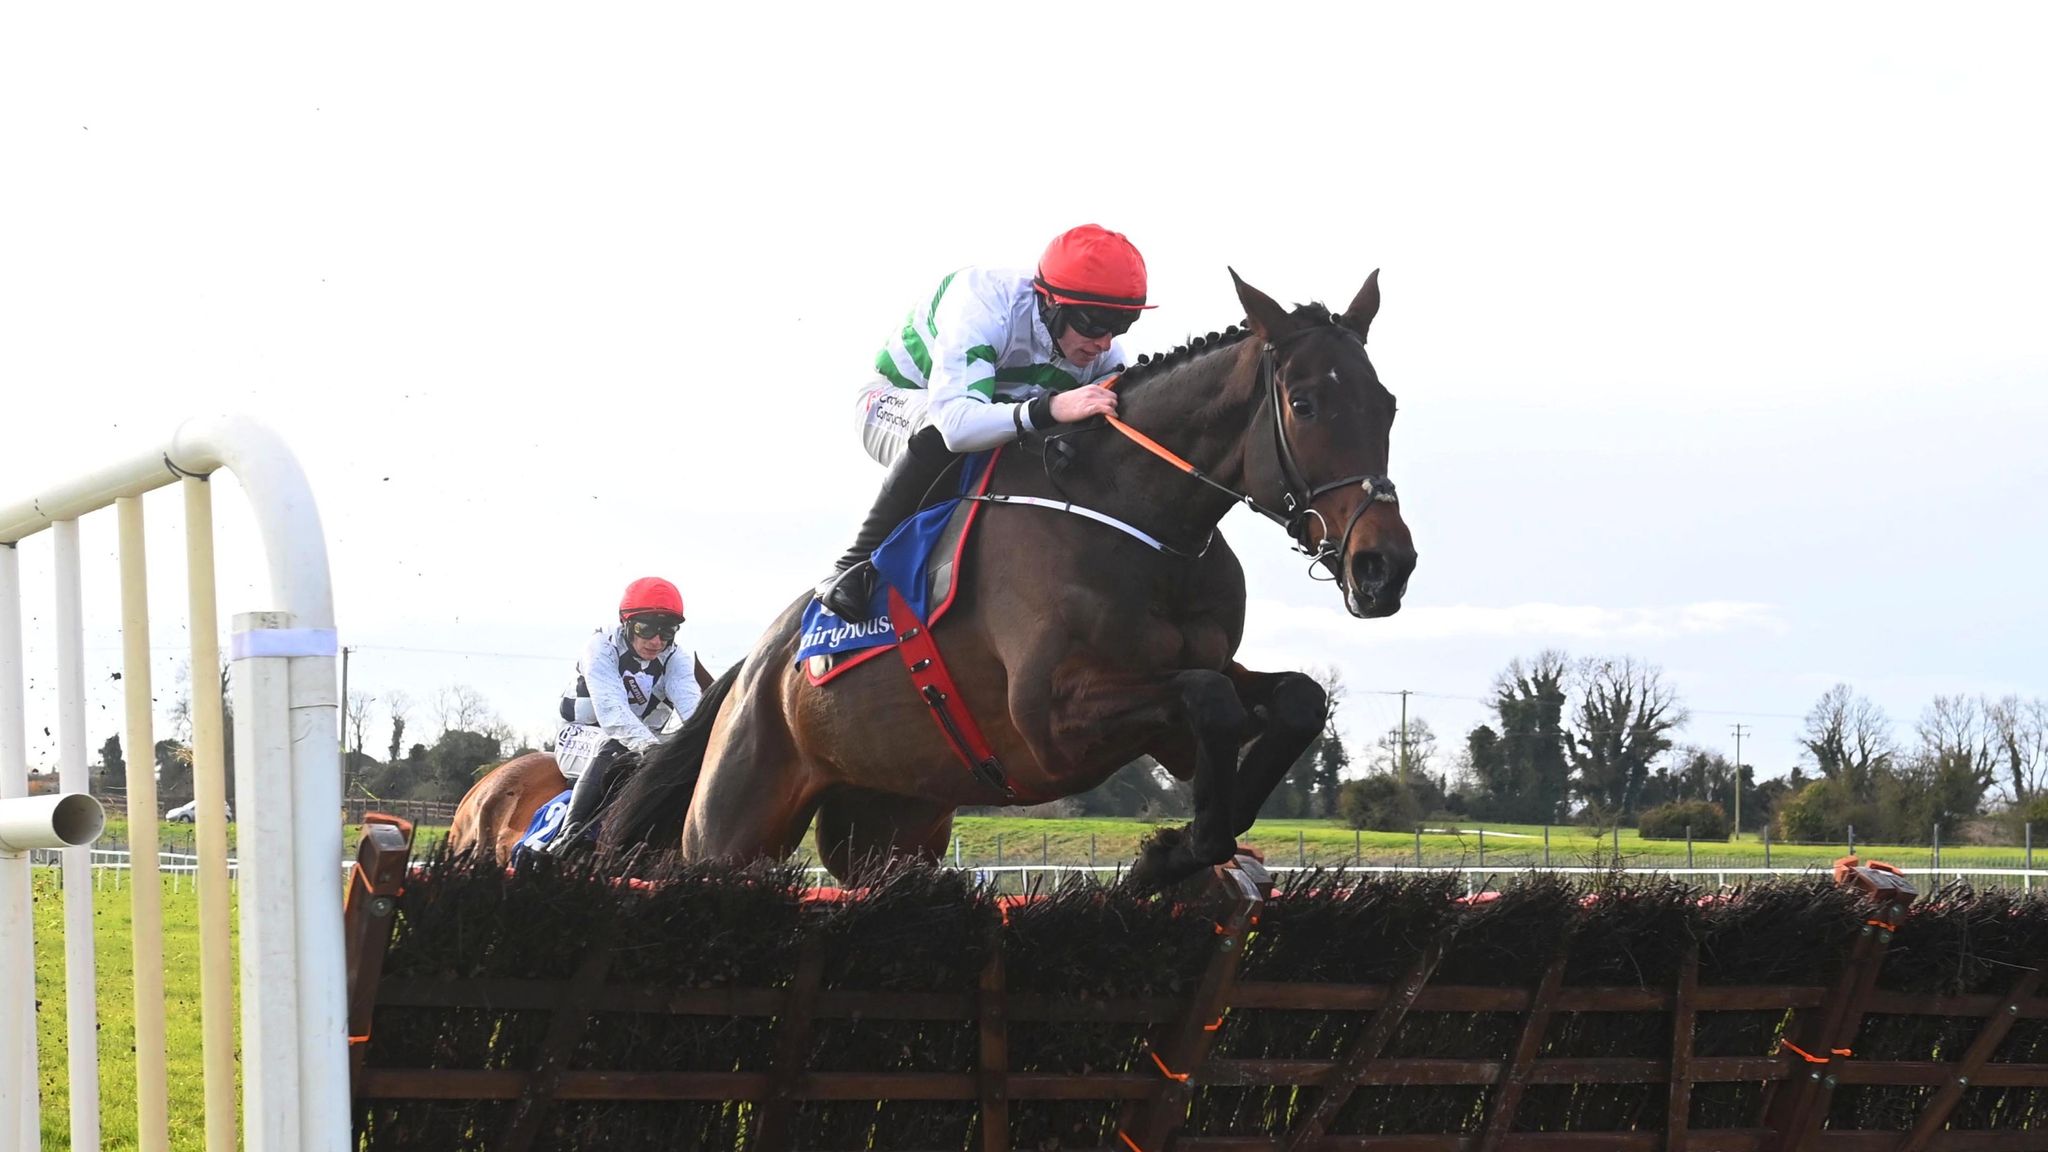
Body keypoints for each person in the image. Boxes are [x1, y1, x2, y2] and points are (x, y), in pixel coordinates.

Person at [814, 223, 1155, 619]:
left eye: (1120, 325)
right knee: (942, 431)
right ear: (1050, 302)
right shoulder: (984, 304)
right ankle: (852, 566)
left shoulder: (1104, 354)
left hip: (989, 415)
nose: (1105, 342)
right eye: (1094, 323)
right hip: (897, 403)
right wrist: (1048, 409)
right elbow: (957, 427)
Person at [545, 576, 713, 851]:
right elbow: (613, 714)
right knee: (613, 746)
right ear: (626, 623)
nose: (657, 641)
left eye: (667, 631)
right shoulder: (600, 646)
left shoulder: (676, 658)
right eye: (646, 628)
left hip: (643, 741)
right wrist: (652, 750)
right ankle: (570, 833)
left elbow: (694, 713)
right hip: (582, 735)